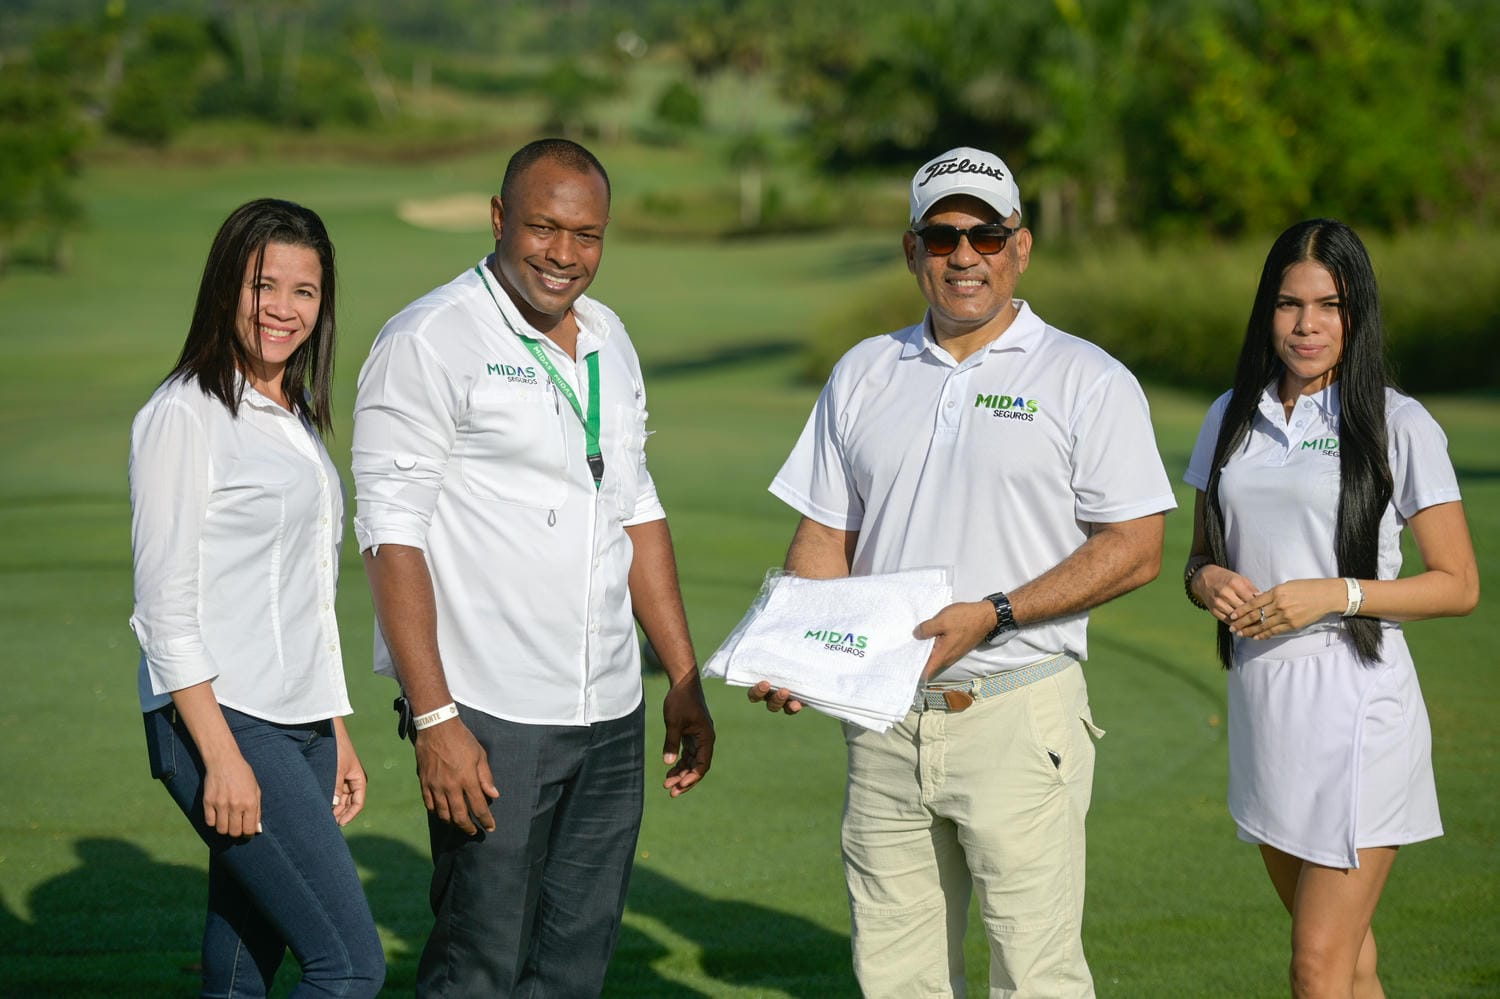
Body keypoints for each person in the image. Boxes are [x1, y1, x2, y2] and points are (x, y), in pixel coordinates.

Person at [752, 146, 1176, 997]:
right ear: (913, 251)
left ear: (1020, 246)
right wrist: (802, 653)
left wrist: (995, 611)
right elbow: (825, 534)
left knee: (1037, 975)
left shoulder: (1085, 377)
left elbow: (1136, 544)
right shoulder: (864, 371)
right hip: (883, 719)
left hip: (1017, 709)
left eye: (986, 234)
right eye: (943, 236)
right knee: (895, 972)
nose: (965, 256)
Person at [352, 137, 715, 997]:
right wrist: (436, 718)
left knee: (574, 967)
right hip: (490, 713)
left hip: (611, 709)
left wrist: (683, 676)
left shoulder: (612, 337)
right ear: (498, 219)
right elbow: (389, 538)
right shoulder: (430, 339)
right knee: (478, 965)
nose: (564, 253)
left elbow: (636, 508)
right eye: (543, 227)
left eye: (587, 234)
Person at [1182, 218, 1479, 999]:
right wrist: (1206, 581)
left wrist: (1338, 594)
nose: (1307, 325)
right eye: (1288, 304)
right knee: (1348, 962)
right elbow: (1199, 557)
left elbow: (1458, 582)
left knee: (1315, 966)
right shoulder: (1229, 416)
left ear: (1358, 313)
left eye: (1329, 304)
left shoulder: (1399, 422)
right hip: (1265, 712)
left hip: (1359, 712)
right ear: (1266, 311)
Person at [128, 198, 385, 998]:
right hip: (221, 717)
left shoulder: (295, 418)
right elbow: (163, 610)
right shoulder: (183, 415)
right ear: (224, 288)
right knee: (348, 966)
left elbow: (302, 593)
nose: (282, 308)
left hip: (296, 720)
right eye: (262, 284)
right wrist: (223, 756)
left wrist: (333, 725)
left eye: (303, 291)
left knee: (242, 971)